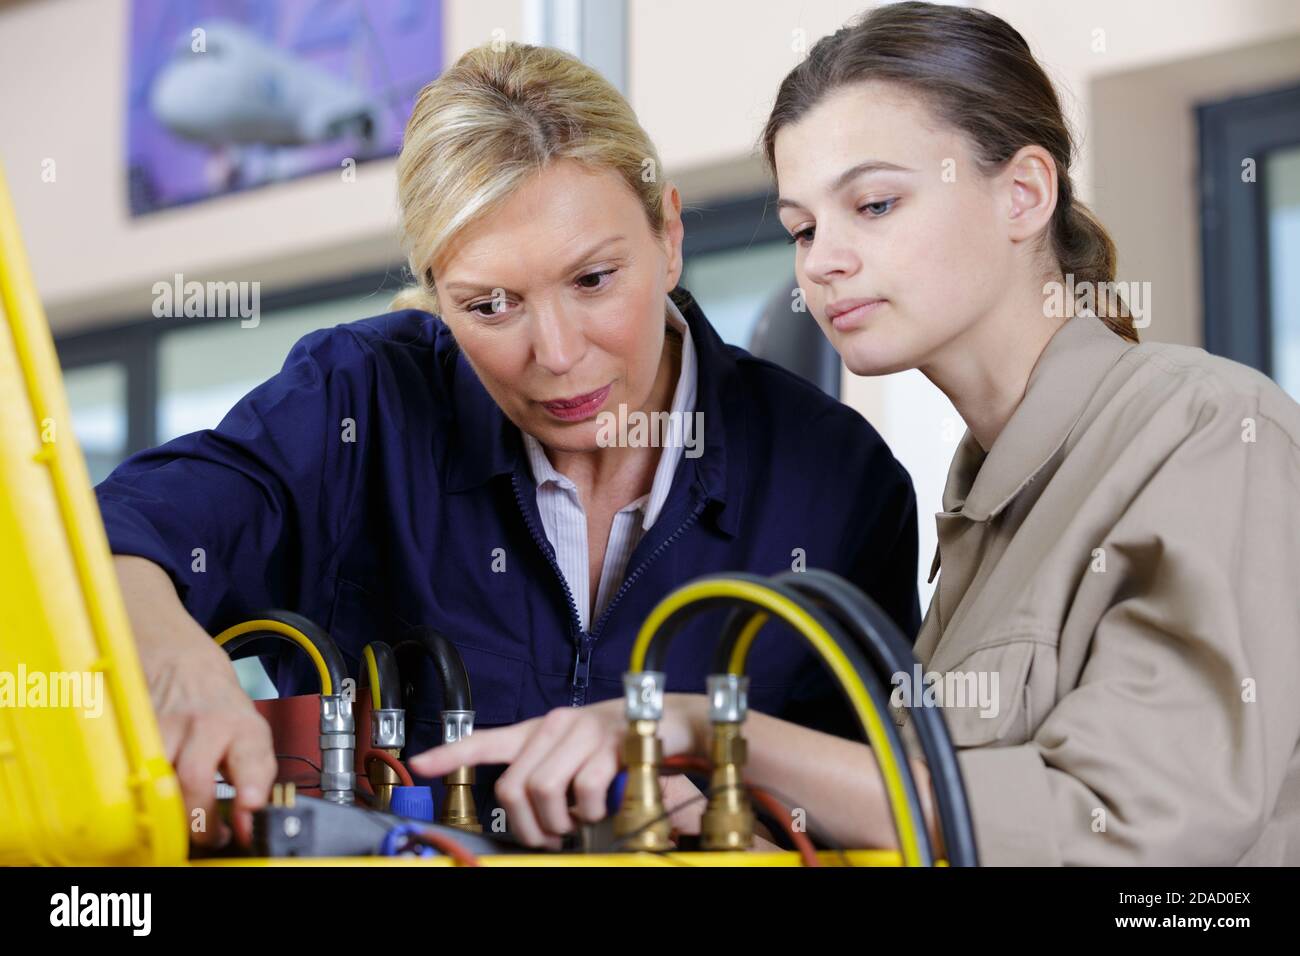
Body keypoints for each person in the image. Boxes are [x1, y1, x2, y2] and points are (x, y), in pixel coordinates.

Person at [414, 2, 1300, 865]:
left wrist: (708, 729)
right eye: (802, 227)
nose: (823, 261)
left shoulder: (1209, 428)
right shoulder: (978, 519)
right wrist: (724, 819)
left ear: (1024, 192)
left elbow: (1135, 826)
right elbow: (942, 832)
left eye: (873, 205)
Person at [97, 42, 920, 849]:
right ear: (435, 296)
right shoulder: (359, 404)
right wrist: (172, 658)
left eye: (593, 280)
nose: (557, 354)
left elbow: (892, 809)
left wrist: (730, 824)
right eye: (490, 305)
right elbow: (108, 536)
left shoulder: (836, 477)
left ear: (668, 236)